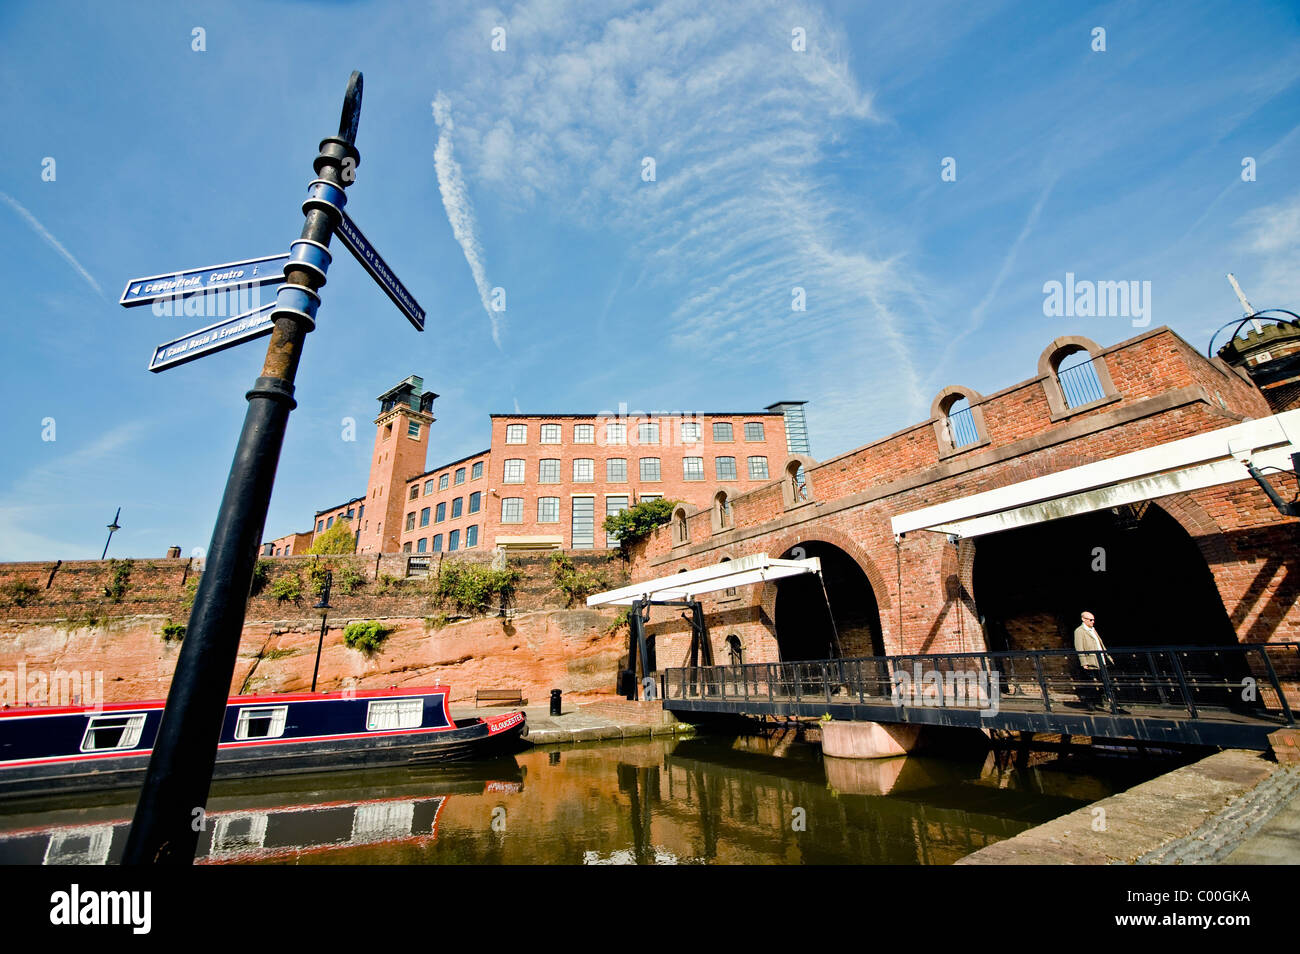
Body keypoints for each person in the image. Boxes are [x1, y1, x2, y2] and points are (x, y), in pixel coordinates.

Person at [1073, 611, 1122, 711]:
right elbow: (1079, 647)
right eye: (1090, 620)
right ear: (1083, 619)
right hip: (1092, 661)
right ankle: (1091, 703)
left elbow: (1100, 644)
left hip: (1101, 660)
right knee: (1094, 684)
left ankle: (1113, 703)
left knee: (1107, 682)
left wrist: (1107, 656)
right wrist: (1084, 662)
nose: (1093, 622)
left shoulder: (1093, 630)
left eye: (1093, 620)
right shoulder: (1079, 631)